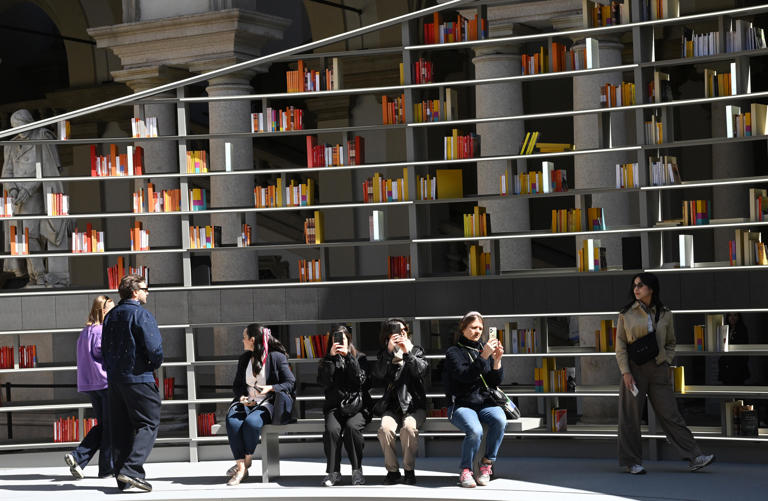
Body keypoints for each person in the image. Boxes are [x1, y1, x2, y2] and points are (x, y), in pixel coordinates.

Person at [616, 272, 715, 474]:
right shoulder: (626, 313)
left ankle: (695, 456)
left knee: (671, 414)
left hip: (658, 370)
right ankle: (631, 462)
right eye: (634, 285)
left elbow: (671, 342)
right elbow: (620, 345)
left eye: (641, 285)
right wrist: (626, 372)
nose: (636, 288)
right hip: (634, 370)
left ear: (651, 289)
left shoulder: (666, 313)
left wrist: (666, 361)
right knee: (630, 417)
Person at [102, 275, 163, 492]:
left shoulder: (110, 316)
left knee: (120, 428)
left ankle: (122, 478)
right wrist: (152, 364)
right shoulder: (141, 314)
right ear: (135, 292)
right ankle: (131, 469)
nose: (148, 292)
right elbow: (155, 349)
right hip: (139, 377)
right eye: (146, 289)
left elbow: (104, 349)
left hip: (115, 380)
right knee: (149, 422)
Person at [2, 108, 71, 287]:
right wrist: (14, 191)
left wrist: (28, 189)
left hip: (37, 195)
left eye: (22, 126)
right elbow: (7, 173)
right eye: (16, 127)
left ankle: (40, 275)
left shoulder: (42, 136)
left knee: (32, 236)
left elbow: (48, 169)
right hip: (18, 200)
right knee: (24, 238)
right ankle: (34, 276)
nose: (20, 131)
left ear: (29, 122)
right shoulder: (11, 145)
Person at [224, 323, 295, 486]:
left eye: (244, 337)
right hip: (246, 402)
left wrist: (271, 388)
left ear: (252, 340)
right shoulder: (244, 359)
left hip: (267, 403)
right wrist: (242, 397)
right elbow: (237, 385)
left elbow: (290, 382)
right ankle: (242, 467)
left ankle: (245, 463)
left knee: (252, 423)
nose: (242, 341)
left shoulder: (276, 357)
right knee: (233, 422)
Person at [443, 311, 505, 488]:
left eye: (480, 328)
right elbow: (465, 376)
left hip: (485, 402)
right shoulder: (453, 352)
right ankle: (465, 470)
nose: (477, 331)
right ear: (463, 328)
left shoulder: (482, 349)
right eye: (473, 327)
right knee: (475, 431)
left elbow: (494, 382)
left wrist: (497, 361)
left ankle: (486, 464)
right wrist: (484, 356)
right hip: (461, 404)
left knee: (500, 420)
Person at [371, 318, 428, 484]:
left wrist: (407, 353)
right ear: (388, 335)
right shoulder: (384, 354)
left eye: (404, 330)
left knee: (409, 429)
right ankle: (393, 471)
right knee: (385, 429)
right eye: (397, 330)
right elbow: (378, 376)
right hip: (392, 407)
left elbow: (421, 372)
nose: (401, 333)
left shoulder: (416, 350)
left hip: (414, 406)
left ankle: (409, 470)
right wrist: (389, 353)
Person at [64, 295, 115, 479]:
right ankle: (102, 467)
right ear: (102, 311)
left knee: (105, 426)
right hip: (105, 382)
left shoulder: (85, 331)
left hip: (91, 384)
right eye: (111, 308)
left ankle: (80, 460)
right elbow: (101, 352)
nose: (114, 311)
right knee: (110, 427)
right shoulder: (101, 330)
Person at [317, 324, 372, 486]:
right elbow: (324, 383)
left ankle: (357, 471)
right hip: (334, 407)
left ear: (349, 339)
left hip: (358, 406)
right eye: (336, 338)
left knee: (352, 428)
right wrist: (330, 360)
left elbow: (362, 381)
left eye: (343, 338)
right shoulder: (326, 360)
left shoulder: (360, 357)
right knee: (331, 430)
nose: (340, 341)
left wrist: (349, 357)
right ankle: (333, 472)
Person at [718, 312, 750, 385]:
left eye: (735, 315)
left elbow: (743, 348)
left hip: (737, 366)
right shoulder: (725, 328)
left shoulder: (742, 329)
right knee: (727, 390)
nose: (732, 318)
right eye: (730, 315)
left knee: (738, 390)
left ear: (739, 317)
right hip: (726, 365)